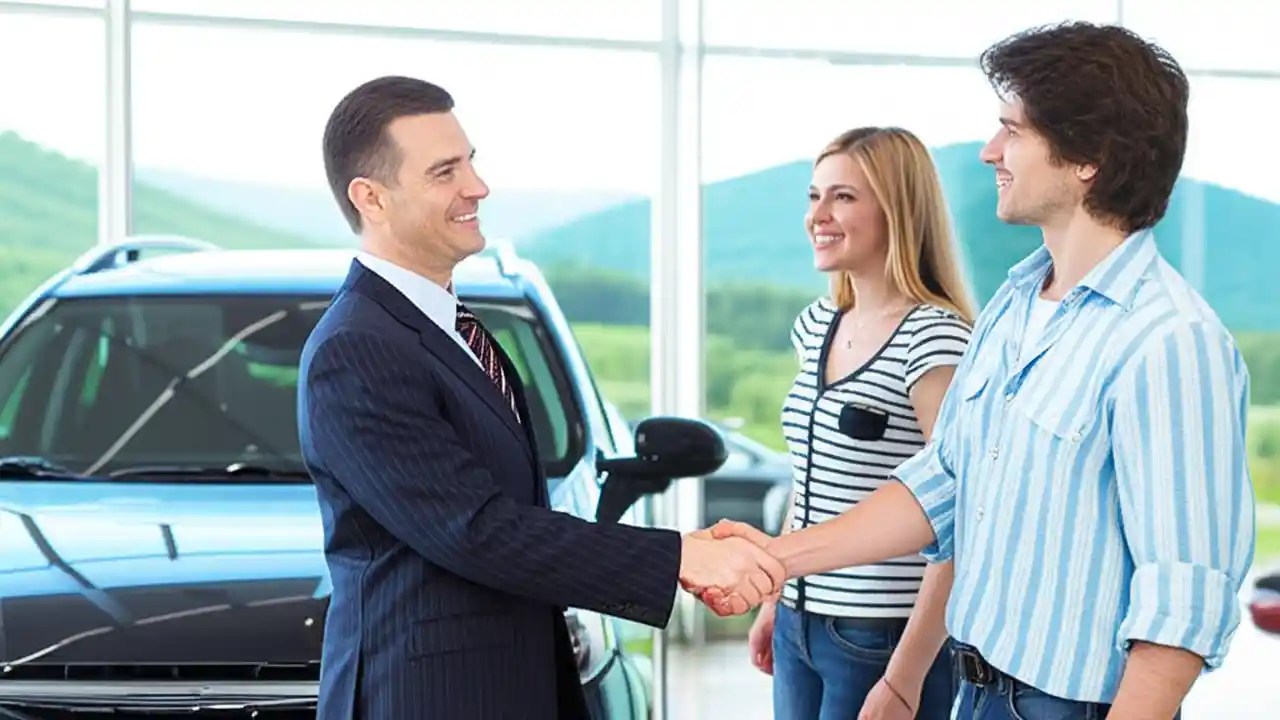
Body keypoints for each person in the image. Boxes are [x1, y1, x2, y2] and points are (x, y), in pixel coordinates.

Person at [705, 21, 1254, 720]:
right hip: (978, 689)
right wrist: (778, 559)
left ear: (1087, 157)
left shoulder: (1169, 341)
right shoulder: (1013, 307)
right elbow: (942, 482)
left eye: (1012, 130)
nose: (991, 151)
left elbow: (1182, 603)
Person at [297, 75, 783, 720]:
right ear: (371, 198)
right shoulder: (357, 348)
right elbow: (475, 530)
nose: (477, 186)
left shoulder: (451, 329)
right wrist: (679, 557)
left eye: (471, 161)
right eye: (445, 171)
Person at [755, 127, 975, 720]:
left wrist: (906, 676)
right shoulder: (815, 324)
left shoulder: (936, 339)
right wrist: (775, 597)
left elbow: (960, 515)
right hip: (798, 624)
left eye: (843, 197)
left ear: (897, 212)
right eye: (814, 196)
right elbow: (810, 477)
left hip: (880, 637)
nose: (818, 216)